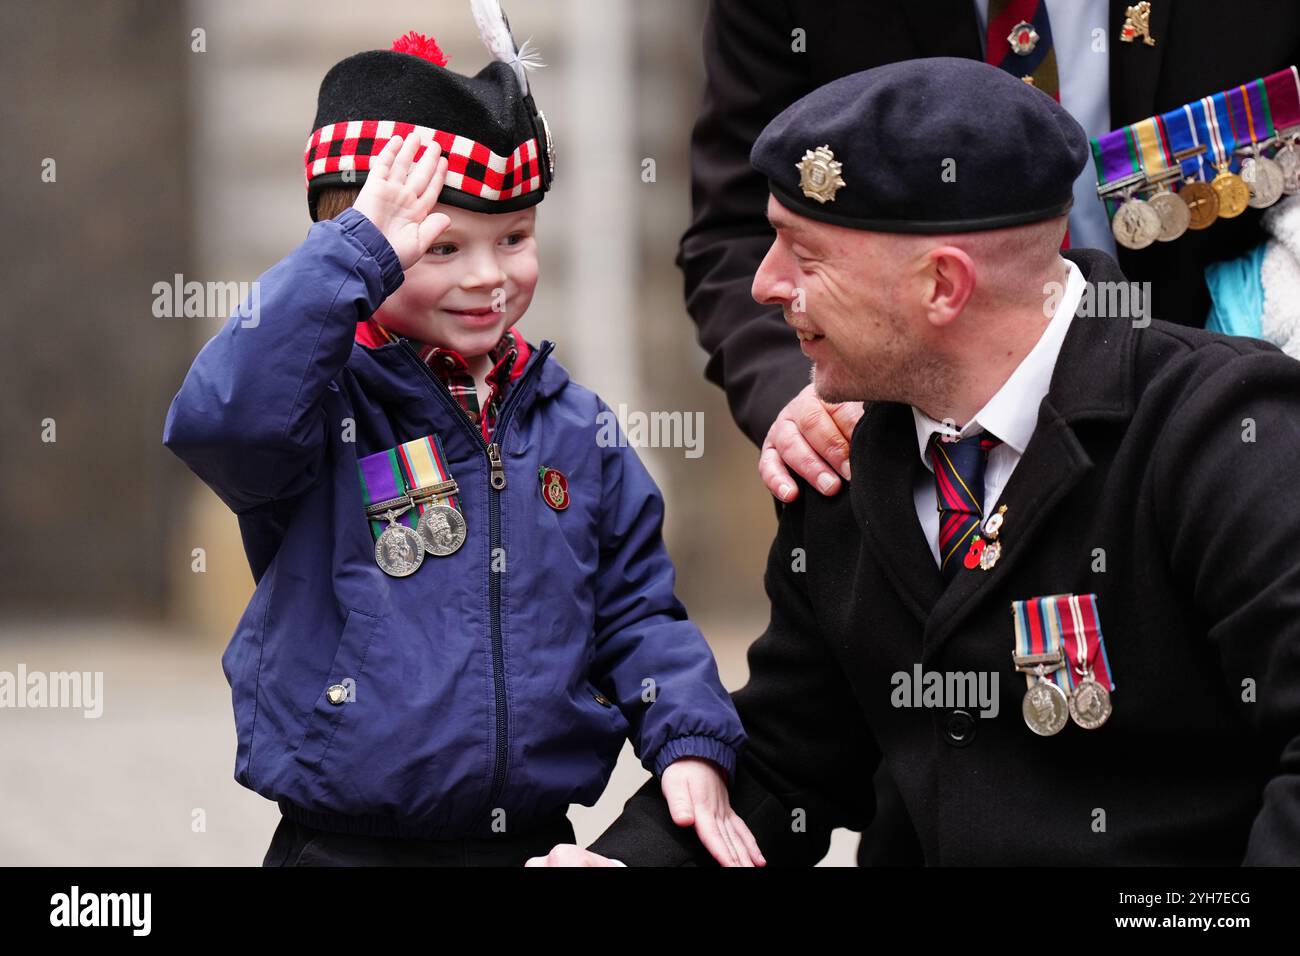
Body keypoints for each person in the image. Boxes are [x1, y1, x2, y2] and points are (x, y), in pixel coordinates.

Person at [530, 57, 1300, 866]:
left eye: (804, 254)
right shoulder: (849, 460)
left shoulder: (1224, 432)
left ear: (942, 285)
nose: (763, 285)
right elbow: (786, 765)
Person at [162, 11, 755, 867]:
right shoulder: (318, 408)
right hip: (343, 845)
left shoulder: (574, 425)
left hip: (532, 841)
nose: (488, 277)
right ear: (357, 248)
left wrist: (689, 736)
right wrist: (350, 259)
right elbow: (223, 419)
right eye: (441, 247)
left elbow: (637, 612)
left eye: (514, 237)